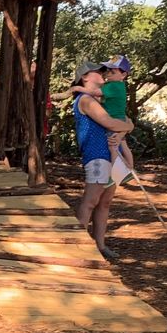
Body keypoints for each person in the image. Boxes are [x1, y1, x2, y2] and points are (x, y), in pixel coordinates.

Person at [70, 62, 134, 261]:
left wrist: (125, 127)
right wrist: (126, 127)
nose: (103, 74)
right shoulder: (87, 100)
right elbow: (110, 122)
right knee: (90, 201)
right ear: (85, 77)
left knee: (104, 202)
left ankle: (100, 245)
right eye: (98, 71)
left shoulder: (99, 100)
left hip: (109, 155)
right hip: (97, 155)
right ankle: (78, 247)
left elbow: (126, 120)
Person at [98, 55, 135, 173]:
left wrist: (78, 89)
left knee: (113, 147)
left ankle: (115, 172)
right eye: (108, 70)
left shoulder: (112, 86)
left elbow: (96, 93)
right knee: (123, 145)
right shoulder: (120, 86)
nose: (108, 73)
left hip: (114, 120)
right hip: (121, 118)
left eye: (112, 72)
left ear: (123, 75)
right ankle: (130, 167)